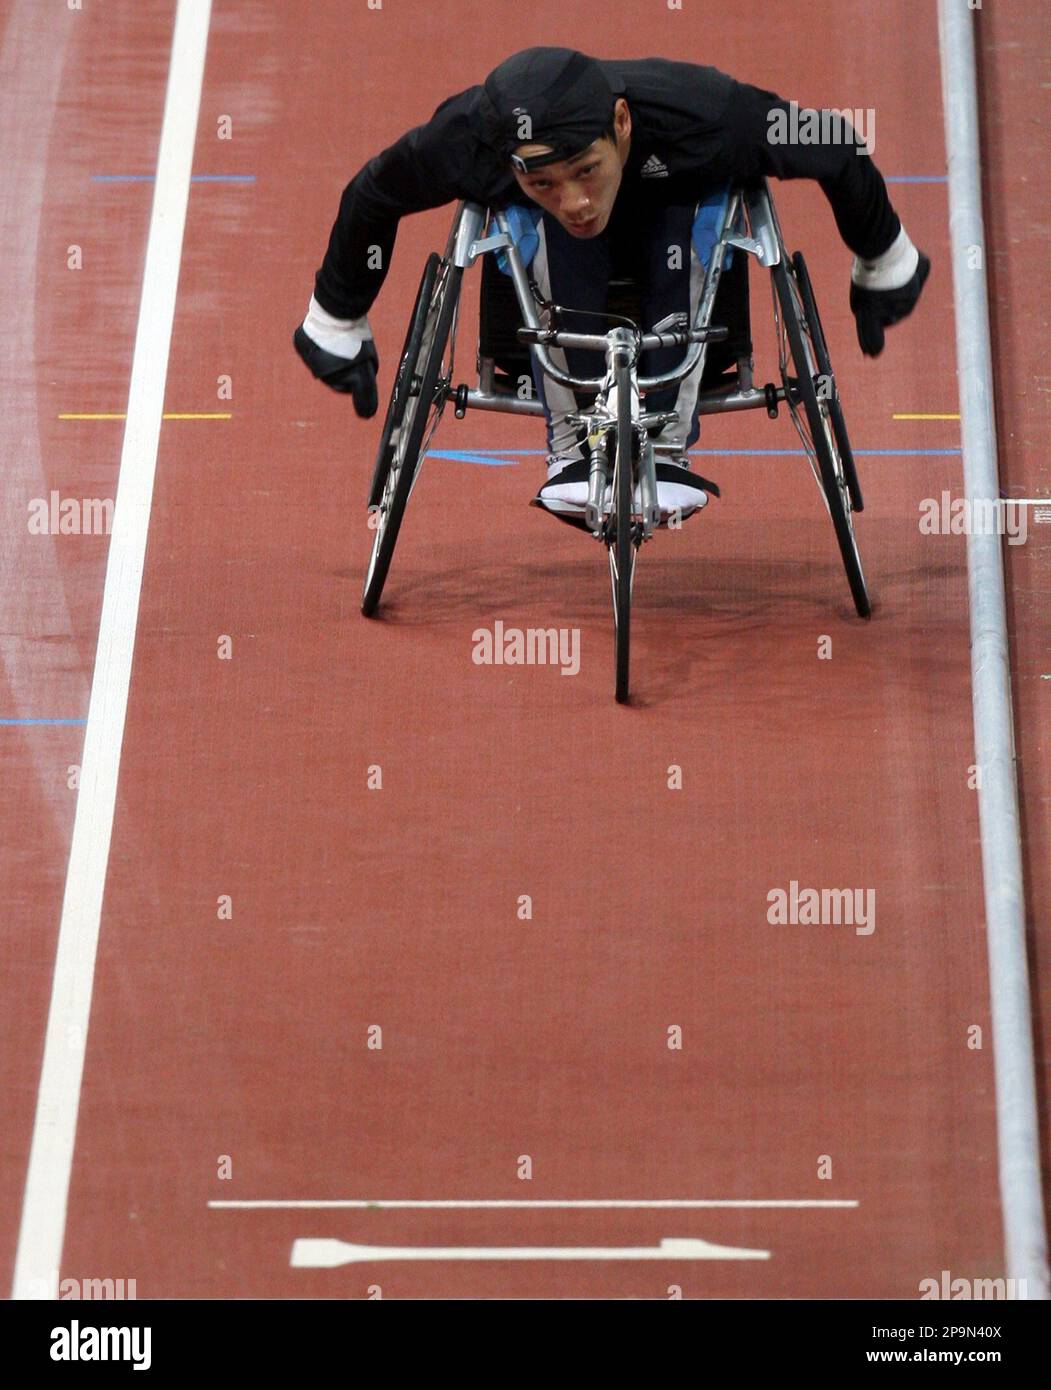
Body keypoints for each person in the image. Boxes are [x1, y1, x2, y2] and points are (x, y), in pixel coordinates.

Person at [294, 47, 930, 525]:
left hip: (673, 219)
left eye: (585, 171)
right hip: (554, 266)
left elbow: (834, 145)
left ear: (621, 123)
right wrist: (337, 319)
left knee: (694, 210)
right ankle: (572, 449)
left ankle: (667, 446)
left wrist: (883, 262)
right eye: (546, 180)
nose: (574, 199)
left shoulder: (707, 116)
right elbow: (372, 194)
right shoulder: (470, 141)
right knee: (542, 224)